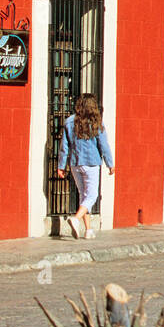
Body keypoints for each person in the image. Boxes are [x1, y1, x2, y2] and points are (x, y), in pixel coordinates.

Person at [56, 93, 114, 240]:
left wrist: (61, 165)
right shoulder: (96, 123)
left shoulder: (70, 121)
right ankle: (76, 219)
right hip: (91, 163)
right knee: (92, 195)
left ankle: (88, 230)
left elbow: (64, 146)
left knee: (84, 195)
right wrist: (110, 164)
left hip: (75, 163)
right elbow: (104, 146)